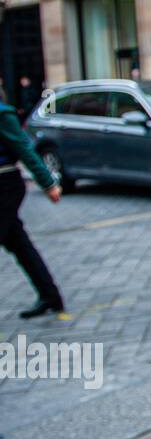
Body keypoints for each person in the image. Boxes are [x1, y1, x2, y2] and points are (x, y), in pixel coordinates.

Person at [1, 84, 65, 319]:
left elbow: (24, 148)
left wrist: (48, 183)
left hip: (5, 185)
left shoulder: (2, 114)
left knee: (18, 243)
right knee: (19, 244)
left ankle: (50, 296)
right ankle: (50, 296)